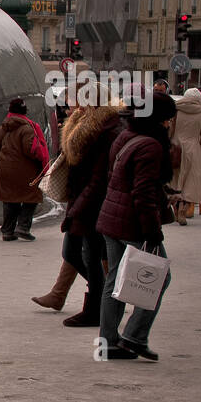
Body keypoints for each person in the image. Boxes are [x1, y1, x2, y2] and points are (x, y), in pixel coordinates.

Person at [95, 90, 179, 361]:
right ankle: (134, 337)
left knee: (115, 281)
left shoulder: (124, 135)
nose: (168, 124)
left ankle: (108, 342)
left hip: (111, 217)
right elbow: (142, 193)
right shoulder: (151, 146)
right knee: (159, 277)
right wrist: (152, 232)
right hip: (133, 222)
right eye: (166, 119)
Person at [55, 88, 124, 326]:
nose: (70, 105)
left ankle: (99, 305)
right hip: (83, 200)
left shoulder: (105, 130)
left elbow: (98, 178)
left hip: (94, 203)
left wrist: (77, 208)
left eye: (75, 101)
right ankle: (103, 301)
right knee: (78, 253)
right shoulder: (85, 124)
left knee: (87, 254)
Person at [0, 97, 48, 241]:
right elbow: (31, 150)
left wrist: (6, 158)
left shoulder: (2, 128)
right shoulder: (27, 128)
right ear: (25, 111)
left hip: (6, 170)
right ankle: (23, 227)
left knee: (10, 198)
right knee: (32, 196)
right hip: (25, 171)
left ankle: (7, 231)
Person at [169, 88, 201, 224]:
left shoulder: (176, 110)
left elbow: (170, 130)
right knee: (190, 181)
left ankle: (175, 207)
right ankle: (184, 207)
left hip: (176, 147)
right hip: (193, 148)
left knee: (175, 179)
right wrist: (200, 148)